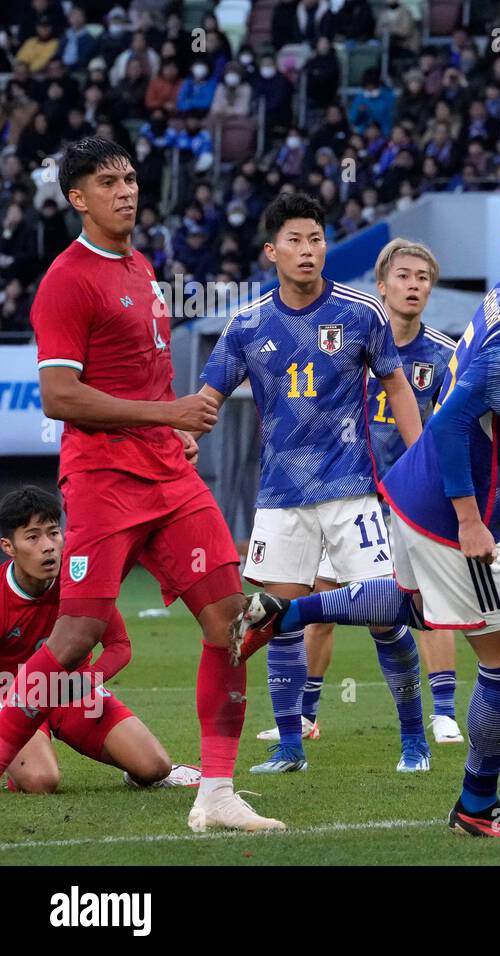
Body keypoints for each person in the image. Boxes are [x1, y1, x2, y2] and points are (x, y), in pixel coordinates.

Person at [233, 176, 500, 837]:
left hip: (418, 493)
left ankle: (284, 609)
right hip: (448, 505)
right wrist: (471, 520)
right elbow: (452, 426)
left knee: (417, 606)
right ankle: (478, 807)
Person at [0, 137, 280, 833]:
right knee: (77, 634)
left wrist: (172, 428)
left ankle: (216, 793)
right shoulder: (67, 279)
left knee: (232, 627)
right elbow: (60, 396)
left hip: (167, 473)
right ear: (77, 198)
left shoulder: (143, 268)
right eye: (107, 181)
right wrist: (168, 413)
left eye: (129, 178)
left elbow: (141, 380)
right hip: (102, 477)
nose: (125, 190)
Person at [197, 193, 427, 774]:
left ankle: (413, 739)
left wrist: (422, 456)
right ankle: (291, 748)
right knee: (277, 619)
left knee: (385, 611)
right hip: (280, 495)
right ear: (272, 251)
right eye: (295, 241)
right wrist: (184, 435)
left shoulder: (361, 313)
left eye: (317, 239)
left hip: (351, 487)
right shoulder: (248, 324)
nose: (308, 250)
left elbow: (397, 386)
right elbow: (209, 398)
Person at [252, 238, 464, 749]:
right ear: (382, 285)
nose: (415, 286)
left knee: (418, 602)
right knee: (325, 602)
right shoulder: (346, 341)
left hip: (410, 500)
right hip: (345, 491)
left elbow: (457, 425)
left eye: (423, 278)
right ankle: (304, 715)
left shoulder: (444, 354)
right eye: (406, 276)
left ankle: (442, 713)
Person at [0, 487, 199, 793]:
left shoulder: (78, 583)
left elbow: (120, 645)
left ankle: (133, 768)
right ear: (8, 547)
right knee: (41, 781)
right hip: (15, 697)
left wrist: (85, 682)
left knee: (154, 768)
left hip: (72, 694)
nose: (48, 546)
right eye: (33, 537)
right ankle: (22, 767)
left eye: (54, 533)